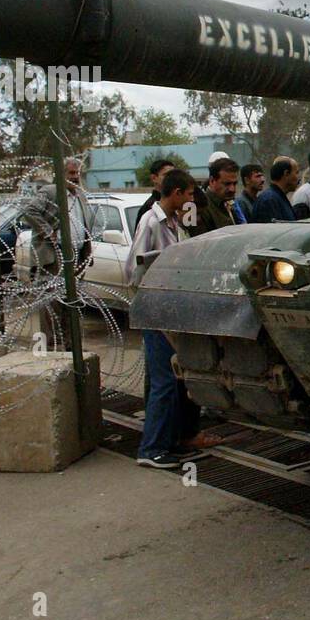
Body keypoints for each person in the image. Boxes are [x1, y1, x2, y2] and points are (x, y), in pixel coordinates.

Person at [124, 168, 203, 469]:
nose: (192, 200)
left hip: (171, 311)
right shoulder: (151, 222)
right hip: (156, 311)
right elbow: (134, 269)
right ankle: (151, 449)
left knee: (173, 381)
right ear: (177, 193)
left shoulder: (173, 223)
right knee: (163, 383)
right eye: (190, 194)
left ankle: (167, 442)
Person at [24, 157, 96, 351]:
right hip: (56, 257)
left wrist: (87, 252)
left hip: (77, 256)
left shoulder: (79, 196)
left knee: (72, 303)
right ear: (61, 174)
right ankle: (52, 346)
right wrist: (47, 231)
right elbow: (29, 211)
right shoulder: (51, 191)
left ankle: (73, 347)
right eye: (71, 173)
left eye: (78, 173)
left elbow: (85, 224)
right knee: (53, 304)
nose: (76, 177)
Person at [190, 157, 242, 234]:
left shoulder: (229, 204)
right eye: (227, 184)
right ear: (212, 181)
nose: (232, 189)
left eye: (234, 184)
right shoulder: (200, 207)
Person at [252, 156, 300, 222]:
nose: (298, 178)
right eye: (296, 173)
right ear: (286, 173)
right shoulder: (269, 200)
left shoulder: (277, 197)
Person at [135, 158, 175, 230]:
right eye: (166, 175)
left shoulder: (177, 203)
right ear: (154, 178)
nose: (171, 178)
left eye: (174, 175)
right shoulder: (149, 208)